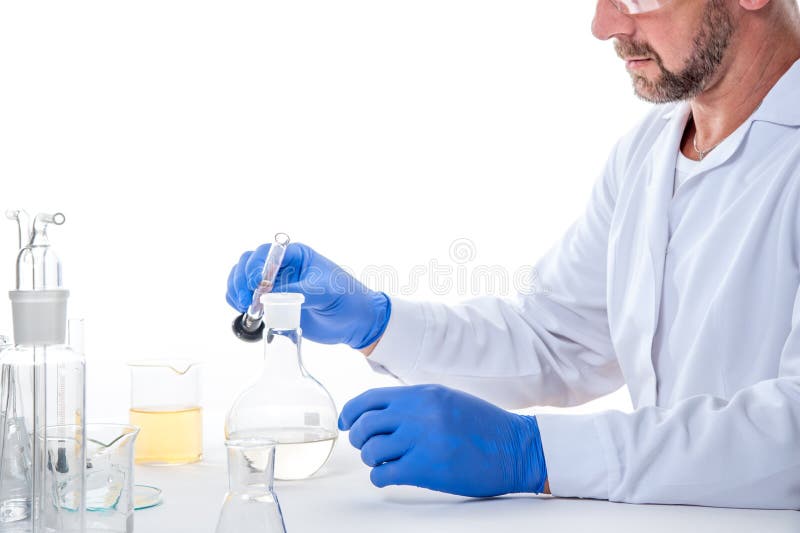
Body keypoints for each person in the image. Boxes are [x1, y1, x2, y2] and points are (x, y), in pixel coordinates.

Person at [227, 0, 800, 509]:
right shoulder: (648, 152)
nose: (603, 25)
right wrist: (378, 321)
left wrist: (536, 453)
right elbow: (557, 338)